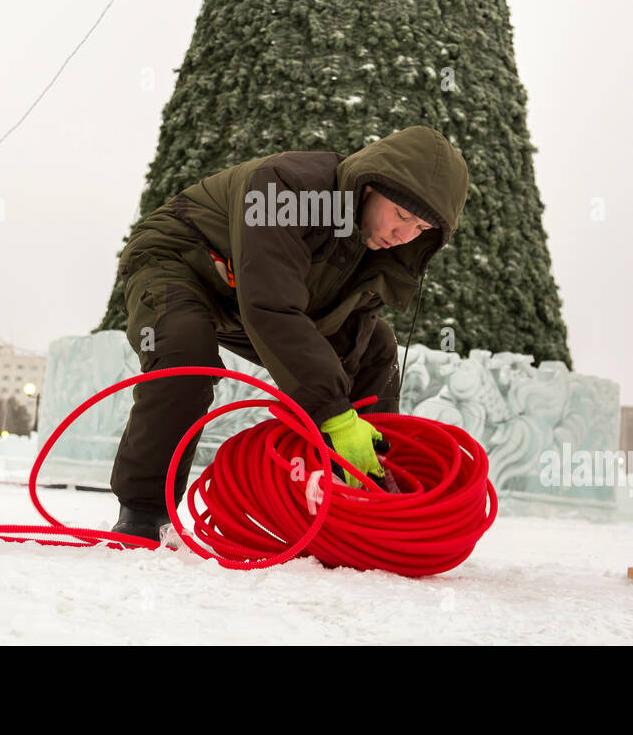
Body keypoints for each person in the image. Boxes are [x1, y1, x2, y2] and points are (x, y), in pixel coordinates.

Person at [110, 125, 469, 541]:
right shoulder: (286, 188)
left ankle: (365, 491)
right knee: (186, 352)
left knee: (376, 348)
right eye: (403, 215)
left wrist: (351, 423)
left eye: (421, 229)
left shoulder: (381, 249)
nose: (404, 235)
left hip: (253, 293)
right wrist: (333, 413)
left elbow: (345, 338)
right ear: (370, 186)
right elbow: (272, 309)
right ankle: (144, 510)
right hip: (183, 260)